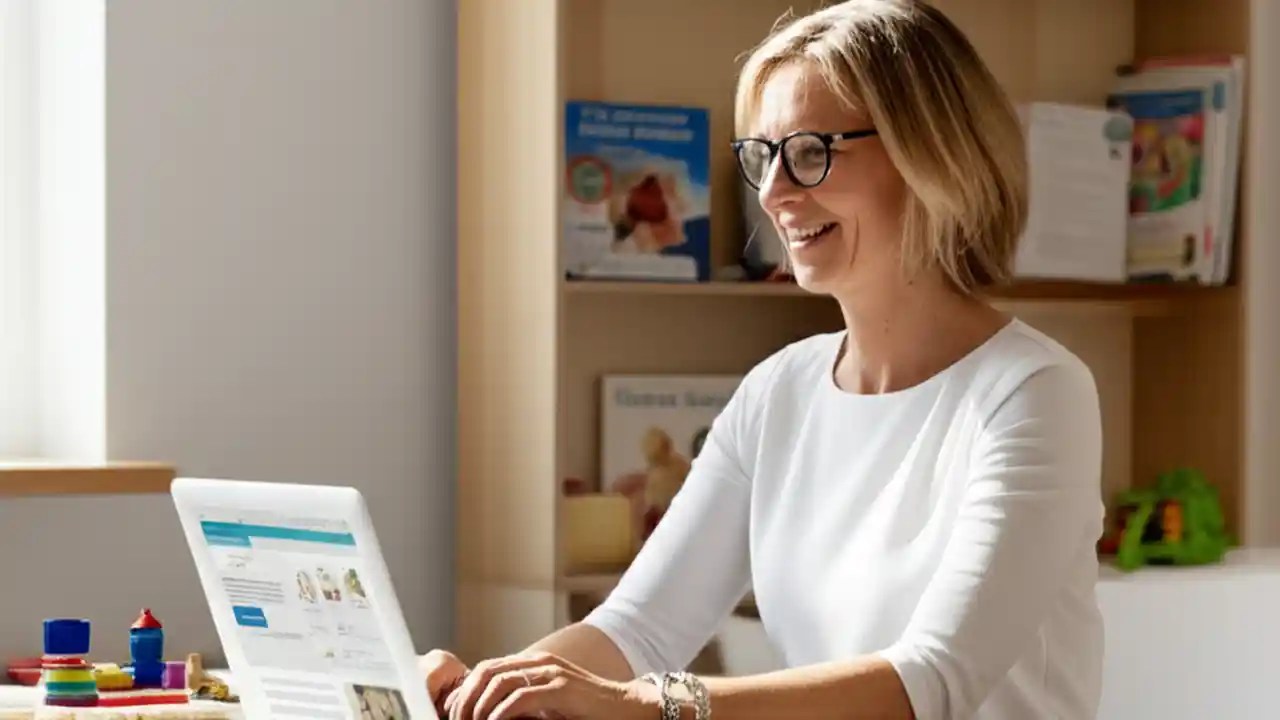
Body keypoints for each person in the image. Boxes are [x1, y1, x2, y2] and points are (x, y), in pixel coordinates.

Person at [423, 0, 1105, 717]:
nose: (775, 193)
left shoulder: (1034, 392)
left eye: (812, 152)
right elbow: (636, 629)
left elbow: (931, 680)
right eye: (763, 156)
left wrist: (652, 707)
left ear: (930, 152)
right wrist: (480, 691)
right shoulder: (779, 392)